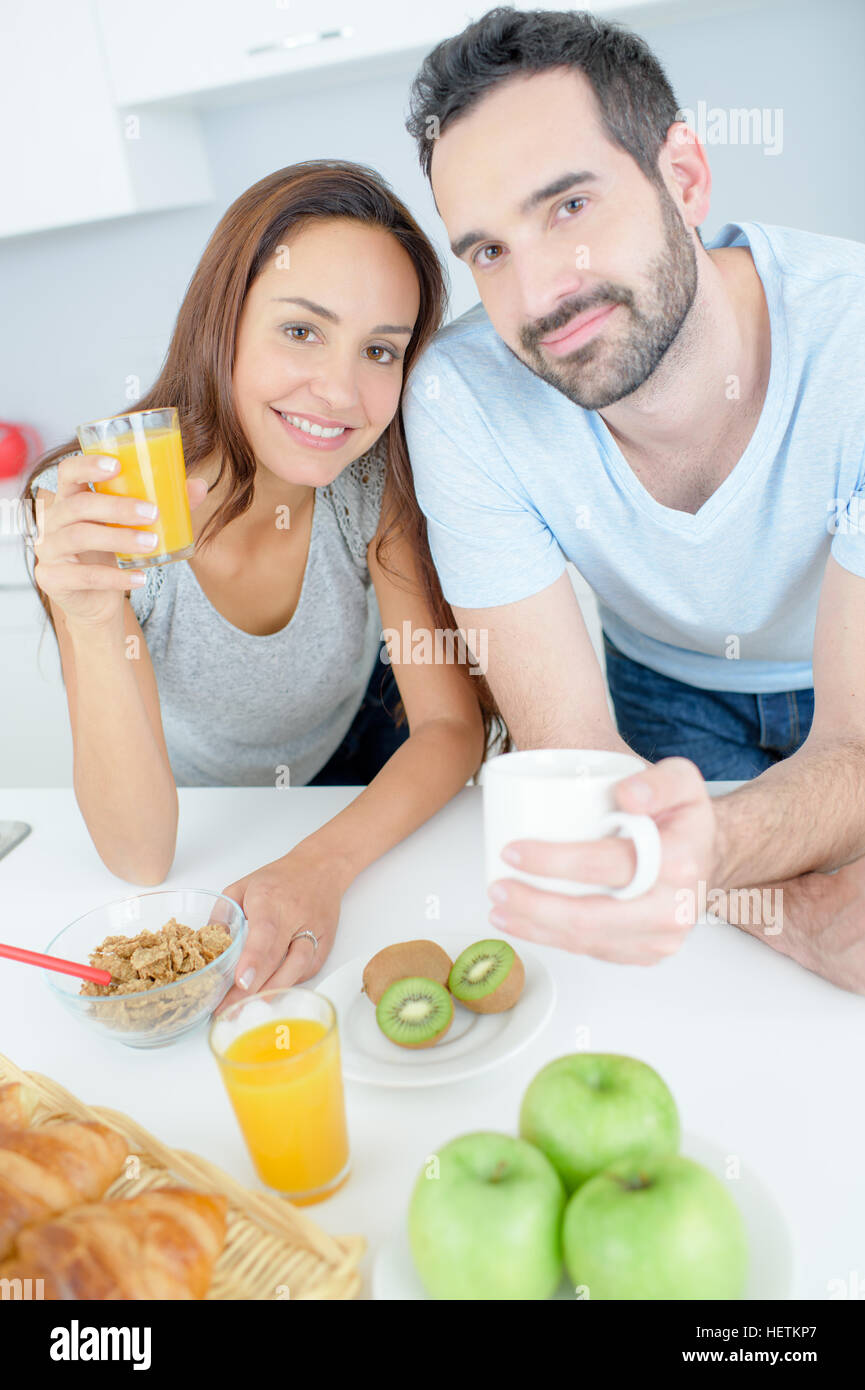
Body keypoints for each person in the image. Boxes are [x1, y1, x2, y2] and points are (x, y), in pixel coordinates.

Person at [400, 8, 865, 992]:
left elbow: (853, 743)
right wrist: (757, 890)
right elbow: (573, 751)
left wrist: (713, 863)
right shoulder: (460, 396)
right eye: (486, 251)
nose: (536, 298)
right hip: (663, 689)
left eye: (569, 206)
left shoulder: (855, 339)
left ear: (685, 178)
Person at [24, 160, 502, 1005]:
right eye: (302, 331)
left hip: (361, 769)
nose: (340, 391)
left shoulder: (370, 482)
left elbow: (446, 729)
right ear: (225, 319)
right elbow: (141, 857)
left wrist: (317, 866)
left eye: (380, 350)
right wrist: (92, 618)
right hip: (206, 811)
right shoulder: (115, 501)